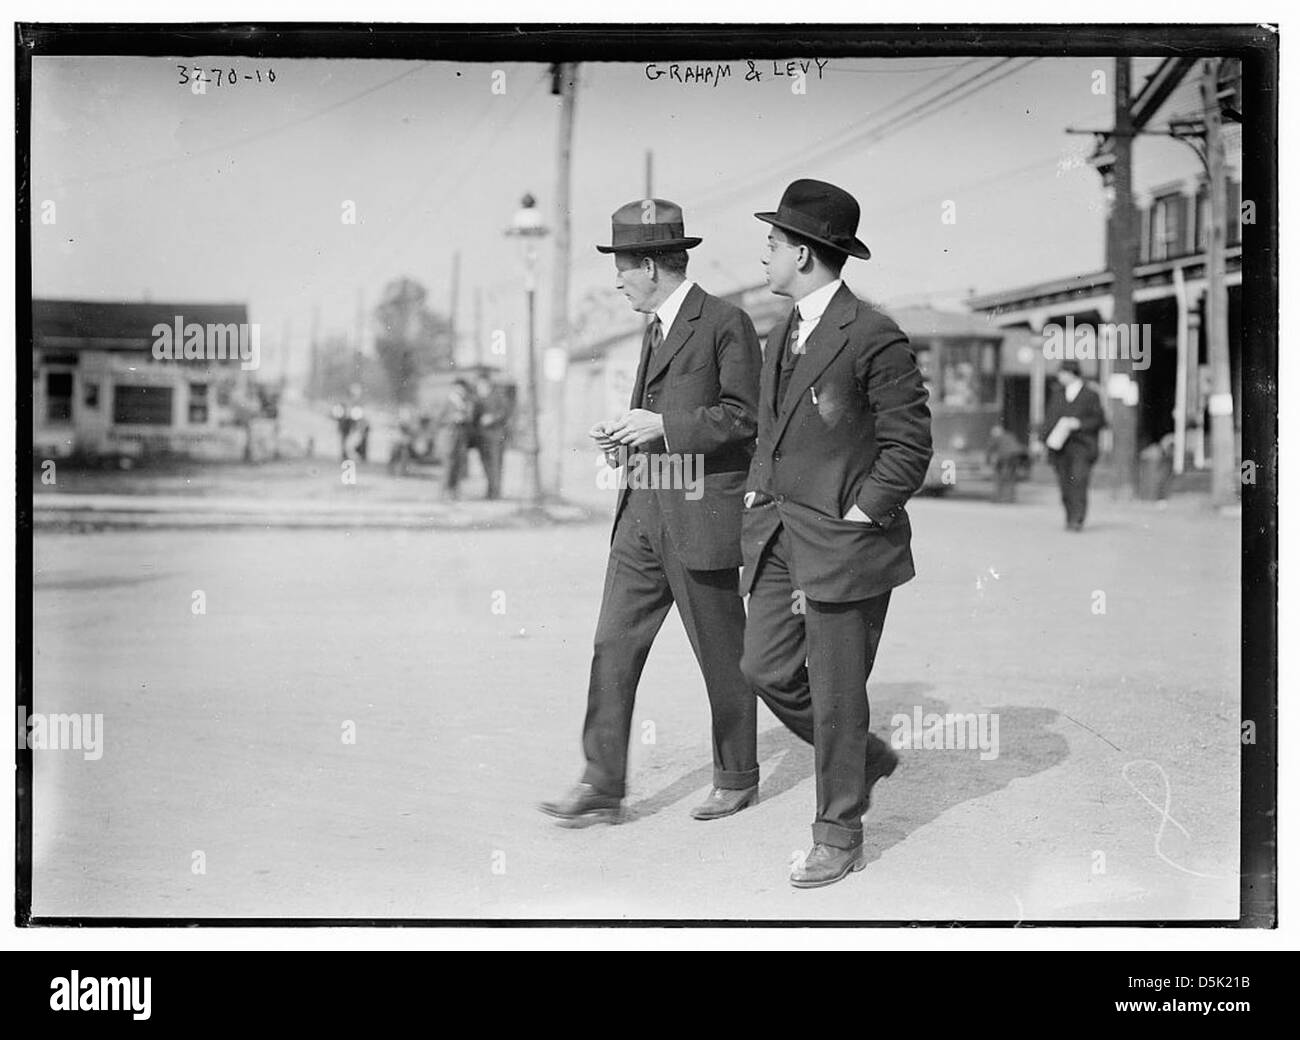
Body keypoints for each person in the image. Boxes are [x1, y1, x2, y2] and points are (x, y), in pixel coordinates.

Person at [540, 198, 763, 826]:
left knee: (721, 651)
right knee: (612, 645)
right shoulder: (657, 326)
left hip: (697, 513)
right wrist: (626, 435)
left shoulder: (726, 323)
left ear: (650, 264)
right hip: (641, 509)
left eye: (621, 267)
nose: (616, 280)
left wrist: (663, 424)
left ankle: (737, 776)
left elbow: (747, 419)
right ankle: (602, 784)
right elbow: (659, 421)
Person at [739, 179, 933, 888]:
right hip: (779, 535)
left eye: (772, 245)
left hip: (847, 544)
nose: (764, 256)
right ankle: (867, 757)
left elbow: (909, 446)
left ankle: (839, 833)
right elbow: (771, 427)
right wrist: (761, 483)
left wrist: (861, 514)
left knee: (838, 690)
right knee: (762, 666)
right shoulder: (779, 330)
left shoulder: (872, 334)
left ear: (804, 254)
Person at [1042, 360, 1107, 530]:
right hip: (1060, 447)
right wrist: (1043, 440)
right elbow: (1049, 419)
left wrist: (1079, 424)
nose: (1059, 377)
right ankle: (1069, 515)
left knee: (1078, 480)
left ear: (1072, 374)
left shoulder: (1090, 395)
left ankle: (1078, 518)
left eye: (1062, 373)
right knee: (1064, 482)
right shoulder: (1057, 394)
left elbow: (1100, 420)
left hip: (1082, 445)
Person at [472, 374, 512, 500]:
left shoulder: (498, 397)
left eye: (481, 386)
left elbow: (505, 412)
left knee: (495, 464)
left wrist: (492, 418)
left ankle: (496, 493)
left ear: (487, 385)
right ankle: (490, 491)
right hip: (482, 437)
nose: (479, 388)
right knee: (486, 465)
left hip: (496, 436)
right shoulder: (477, 399)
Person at [442, 378, 478, 500]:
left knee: (459, 464)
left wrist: (465, 417)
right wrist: (452, 418)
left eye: (462, 389)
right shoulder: (448, 401)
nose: (461, 391)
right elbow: (440, 419)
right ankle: (446, 491)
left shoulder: (466, 402)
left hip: (461, 437)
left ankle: (456, 491)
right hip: (450, 437)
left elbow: (470, 418)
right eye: (458, 388)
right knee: (449, 465)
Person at [986, 423, 1030, 503]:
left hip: (1006, 457)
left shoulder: (997, 437)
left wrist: (988, 461)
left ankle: (999, 498)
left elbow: (990, 449)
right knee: (1010, 477)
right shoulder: (1010, 435)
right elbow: (1017, 447)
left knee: (1001, 477)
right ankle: (1009, 498)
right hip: (1017, 456)